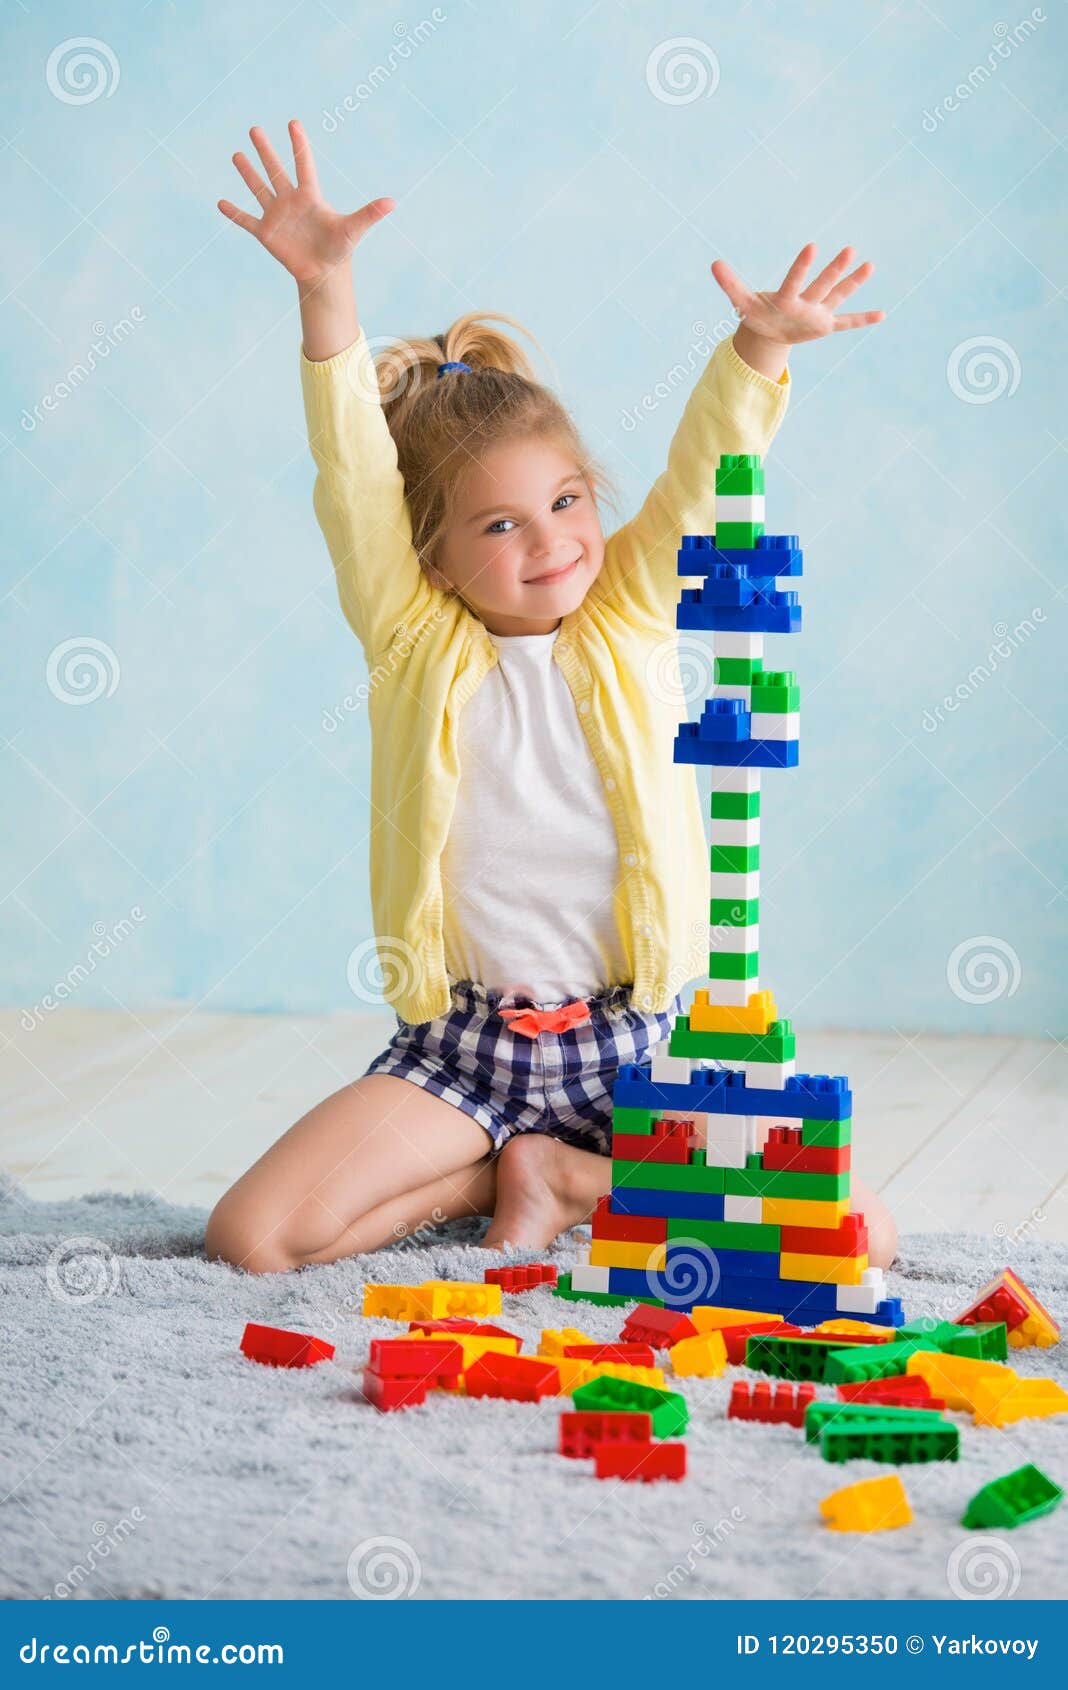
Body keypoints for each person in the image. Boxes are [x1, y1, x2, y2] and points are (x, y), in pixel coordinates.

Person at [205, 120, 895, 1273]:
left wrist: (757, 354)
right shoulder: (410, 631)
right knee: (253, 1238)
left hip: (641, 1044)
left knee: (858, 1232)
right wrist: (327, 293)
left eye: (569, 501)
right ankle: (496, 1172)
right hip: (465, 1052)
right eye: (501, 523)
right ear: (429, 554)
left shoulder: (626, 606)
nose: (555, 543)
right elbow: (353, 478)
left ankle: (572, 1175)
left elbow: (697, 478)